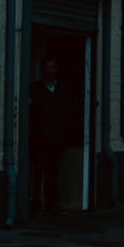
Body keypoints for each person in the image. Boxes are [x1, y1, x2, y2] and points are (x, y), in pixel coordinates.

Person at [28, 57, 72, 218]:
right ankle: (36, 205)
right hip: (40, 138)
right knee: (38, 172)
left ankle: (52, 204)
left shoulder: (62, 89)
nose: (50, 71)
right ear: (42, 70)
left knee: (53, 173)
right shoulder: (35, 89)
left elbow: (67, 113)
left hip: (57, 138)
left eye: (53, 68)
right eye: (47, 68)